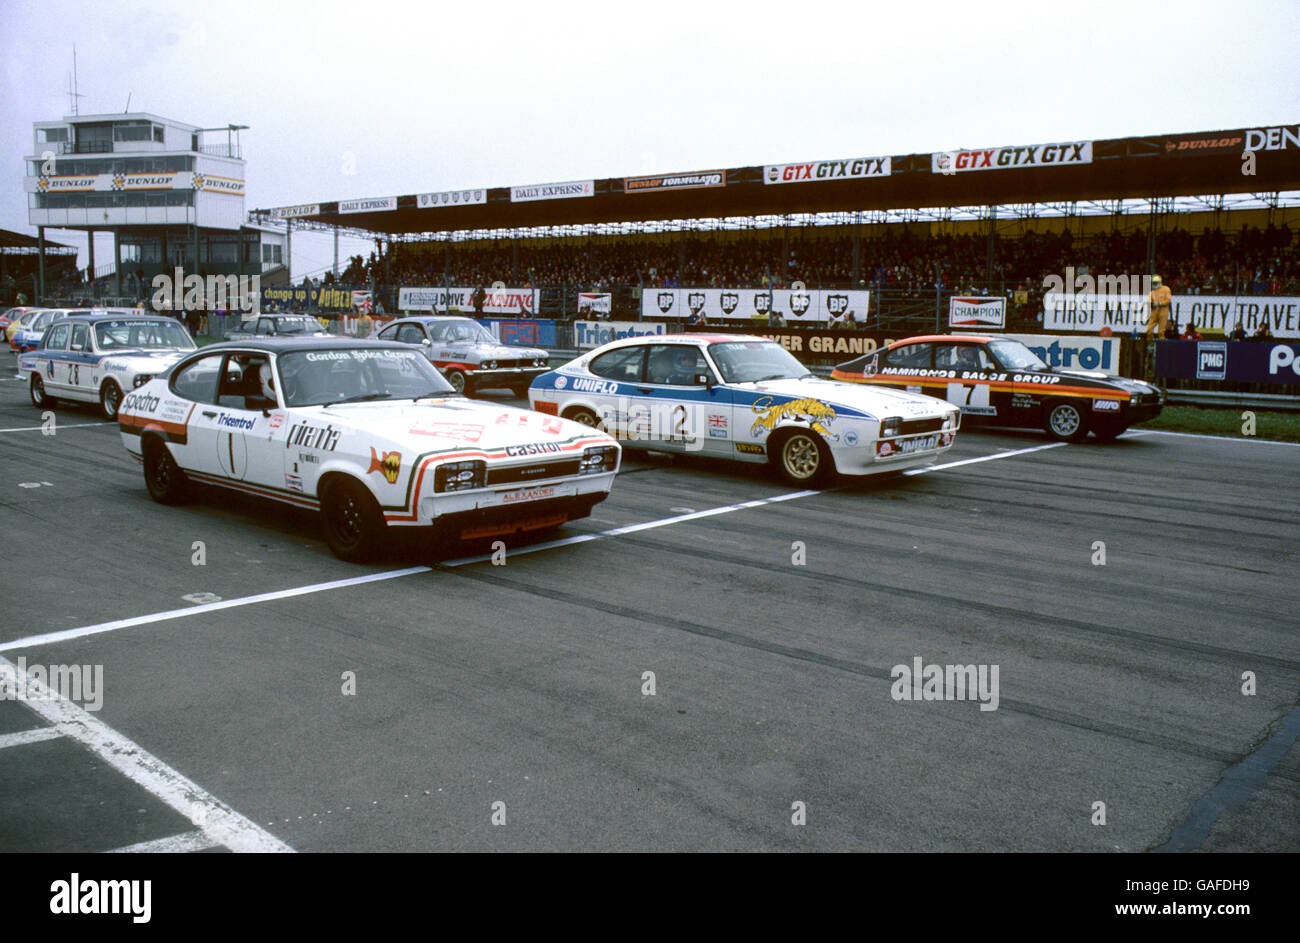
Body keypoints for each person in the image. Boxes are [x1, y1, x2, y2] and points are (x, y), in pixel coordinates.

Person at [1144, 275, 1172, 340]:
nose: (1154, 284)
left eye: (1156, 283)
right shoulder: (1152, 292)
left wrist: (1160, 304)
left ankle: (1162, 345)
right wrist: (1150, 304)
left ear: (1159, 282)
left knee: (1161, 332)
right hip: (1154, 312)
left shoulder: (1166, 289)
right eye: (1153, 283)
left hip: (1163, 312)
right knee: (1149, 330)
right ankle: (1150, 343)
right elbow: (1150, 302)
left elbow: (1168, 300)